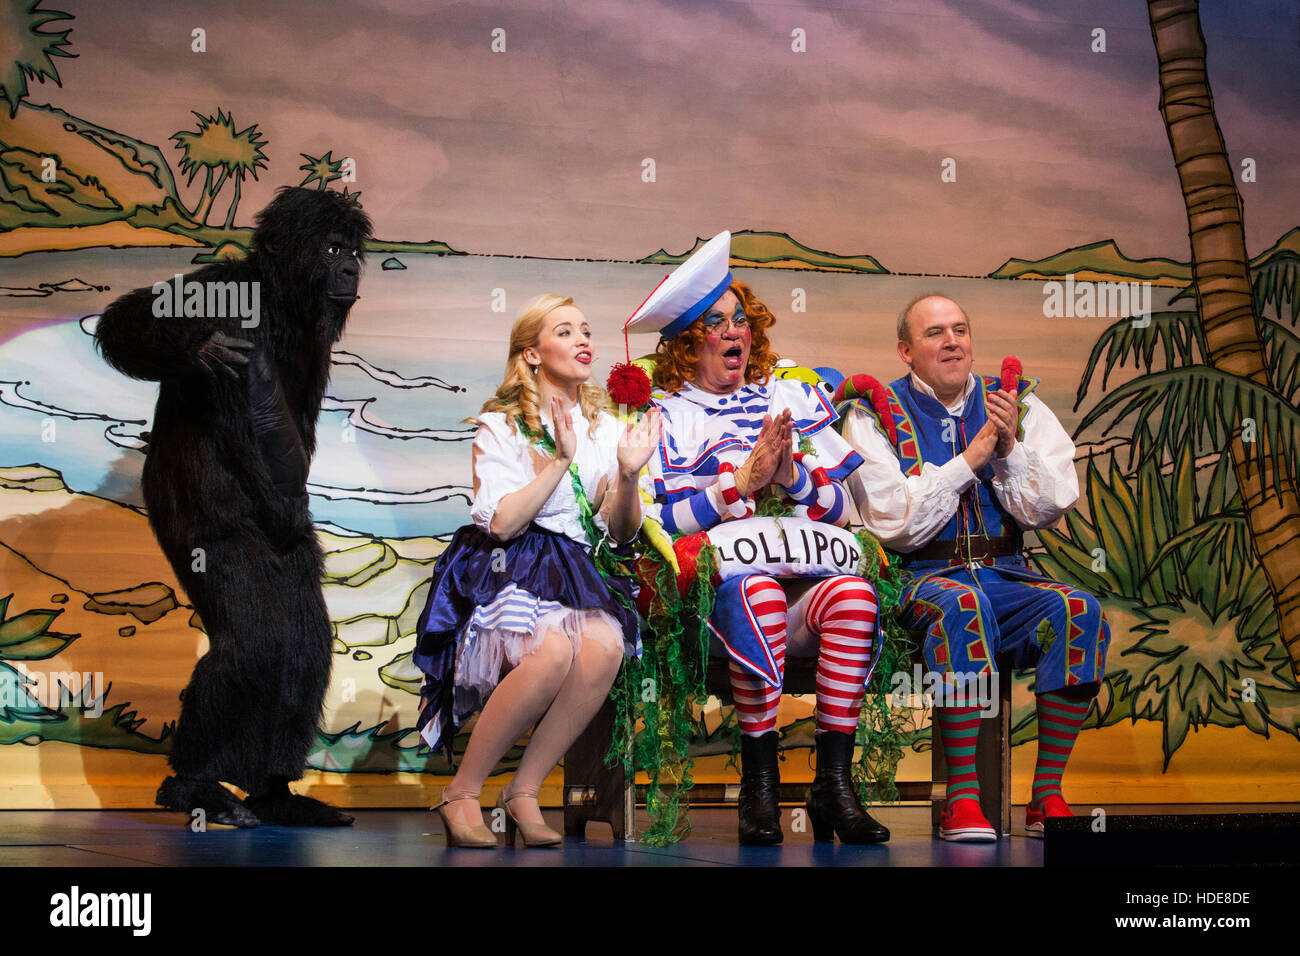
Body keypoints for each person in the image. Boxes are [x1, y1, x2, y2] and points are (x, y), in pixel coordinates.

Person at [626, 232, 888, 846]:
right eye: (715, 323)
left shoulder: (786, 397)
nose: (734, 331)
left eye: (740, 319)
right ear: (688, 346)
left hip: (806, 585)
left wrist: (793, 474)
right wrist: (736, 485)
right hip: (716, 604)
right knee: (757, 594)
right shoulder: (670, 415)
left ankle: (832, 786)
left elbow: (841, 510)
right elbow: (663, 523)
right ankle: (760, 787)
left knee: (854, 598)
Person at [839, 293, 1111, 841]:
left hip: (1007, 576)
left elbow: (1050, 505)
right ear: (905, 350)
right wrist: (970, 460)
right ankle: (961, 801)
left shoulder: (1019, 404)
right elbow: (896, 524)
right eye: (935, 333)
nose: (952, 342)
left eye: (960, 330)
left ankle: (1046, 795)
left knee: (1079, 611)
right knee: (964, 605)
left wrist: (1008, 448)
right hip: (920, 581)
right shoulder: (873, 415)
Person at [412, 294, 660, 847]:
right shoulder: (501, 426)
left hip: (575, 566)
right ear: (531, 353)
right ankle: (461, 792)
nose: (583, 341)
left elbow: (618, 532)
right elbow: (501, 524)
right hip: (510, 563)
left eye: (586, 330)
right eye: (566, 331)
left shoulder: (603, 426)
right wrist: (561, 461)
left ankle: (523, 790)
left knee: (604, 647)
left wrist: (625, 475)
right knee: (550, 651)